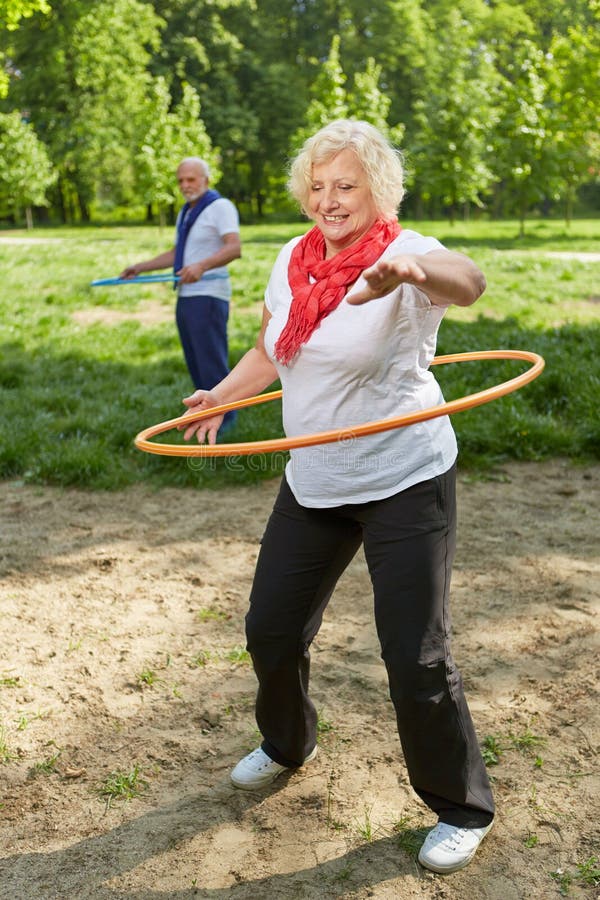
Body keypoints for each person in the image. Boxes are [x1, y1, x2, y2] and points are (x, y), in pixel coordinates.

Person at [179, 120, 495, 875]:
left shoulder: (404, 250)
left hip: (403, 479)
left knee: (415, 655)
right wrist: (220, 396)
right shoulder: (291, 259)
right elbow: (269, 348)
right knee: (270, 632)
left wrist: (410, 275)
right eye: (318, 186)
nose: (329, 199)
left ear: (377, 188)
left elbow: (471, 282)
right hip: (315, 479)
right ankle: (289, 742)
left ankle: (461, 806)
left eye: (345, 184)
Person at [120, 157, 241, 429]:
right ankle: (205, 416)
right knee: (196, 363)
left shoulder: (220, 207)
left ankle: (226, 421)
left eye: (191, 179)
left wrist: (202, 265)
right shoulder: (186, 212)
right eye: (181, 180)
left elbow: (234, 247)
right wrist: (141, 267)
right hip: (186, 296)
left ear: (206, 180)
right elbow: (178, 254)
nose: (186, 185)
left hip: (208, 296)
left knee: (211, 363)